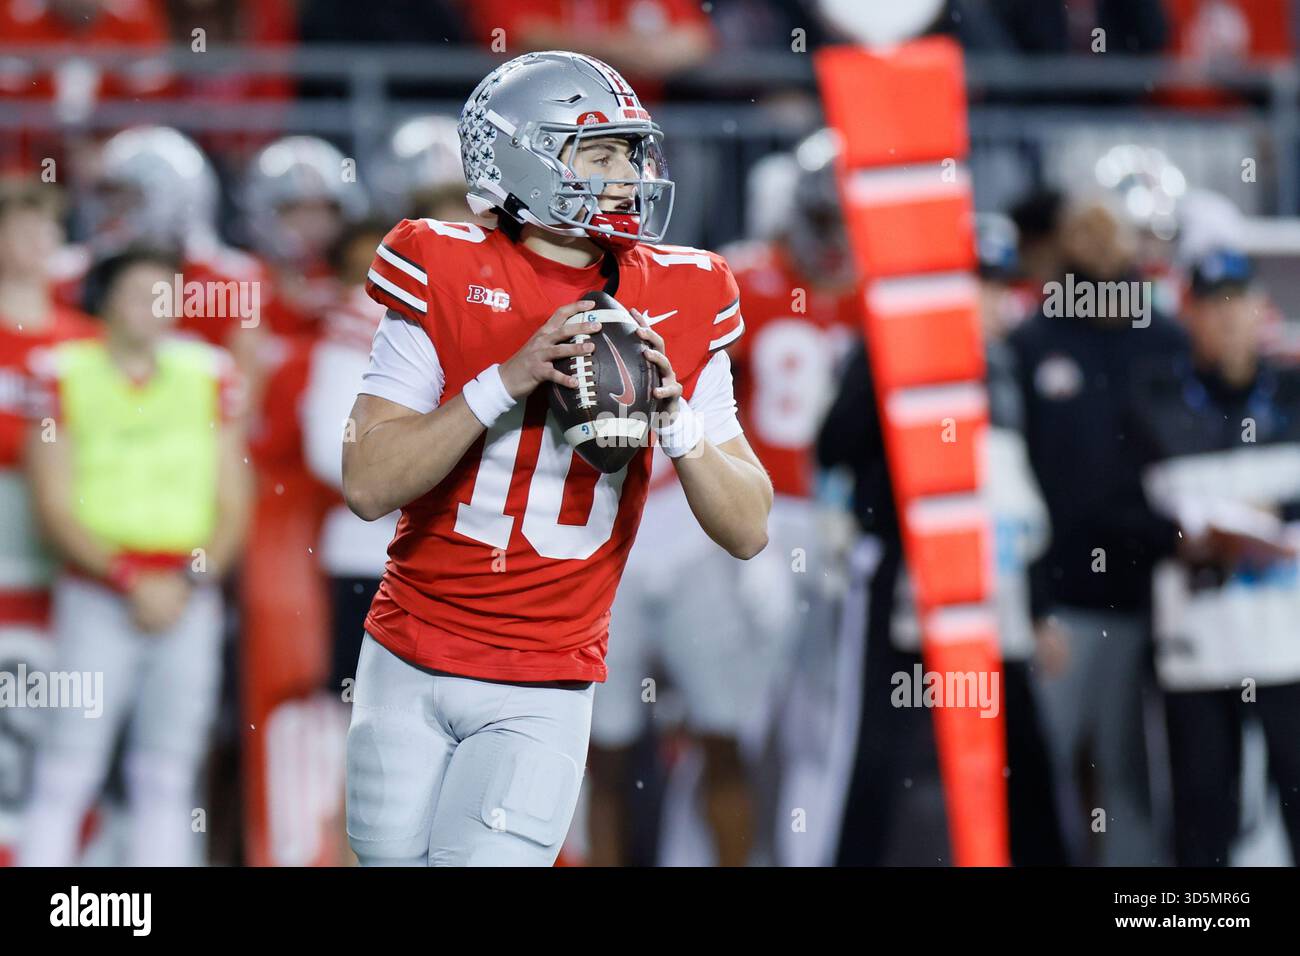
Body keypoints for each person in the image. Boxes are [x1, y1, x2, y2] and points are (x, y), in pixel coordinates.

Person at [342, 50, 772, 867]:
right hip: (408, 649)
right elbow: (367, 482)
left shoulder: (685, 293)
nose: (628, 174)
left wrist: (675, 418)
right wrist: (503, 379)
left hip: (545, 674)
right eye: (599, 152)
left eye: (632, 151)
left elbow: (748, 525)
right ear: (513, 156)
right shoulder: (444, 263)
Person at [20, 246, 250, 866]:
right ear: (103, 302)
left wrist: (183, 582)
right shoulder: (59, 371)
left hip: (186, 593)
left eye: (165, 294)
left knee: (168, 774)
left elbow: (233, 502)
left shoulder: (210, 371)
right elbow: (53, 505)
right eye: (138, 294)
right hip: (98, 590)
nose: (156, 308)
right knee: (69, 765)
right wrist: (131, 580)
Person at [1007, 196, 1187, 865]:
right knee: (1040, 768)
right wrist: (1031, 600)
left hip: (1155, 593)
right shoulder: (1034, 343)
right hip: (1060, 596)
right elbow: (1013, 480)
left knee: (1135, 775)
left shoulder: (1164, 341)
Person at [1130, 249, 1300, 865]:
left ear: (1262, 307)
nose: (1230, 318)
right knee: (1204, 822)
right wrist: (1179, 541)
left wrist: (1276, 520)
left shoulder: (1294, 393)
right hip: (1198, 648)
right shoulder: (1153, 401)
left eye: (1240, 301)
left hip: (1289, 649)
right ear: (1191, 314)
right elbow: (1113, 513)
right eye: (1214, 304)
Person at [0, 179, 97, 866]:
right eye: (23, 228)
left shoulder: (83, 339)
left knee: (59, 714)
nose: (39, 244)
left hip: (70, 556)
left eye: (47, 230)